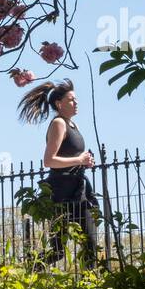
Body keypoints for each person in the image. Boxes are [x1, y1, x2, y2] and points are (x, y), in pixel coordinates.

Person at [17, 78, 100, 269]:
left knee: (90, 243)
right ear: (59, 104)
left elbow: (70, 157)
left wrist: (85, 162)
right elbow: (49, 160)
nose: (76, 103)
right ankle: (30, 269)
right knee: (58, 249)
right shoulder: (58, 124)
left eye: (76, 99)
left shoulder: (73, 126)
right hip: (62, 194)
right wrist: (79, 160)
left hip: (78, 192)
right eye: (71, 100)